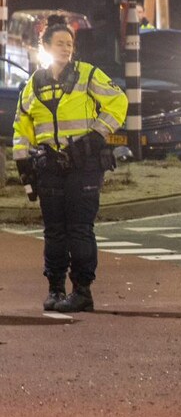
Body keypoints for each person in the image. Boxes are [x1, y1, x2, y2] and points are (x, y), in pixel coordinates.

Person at [11, 21, 128, 313]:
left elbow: (117, 102)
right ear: (46, 47)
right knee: (54, 231)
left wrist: (94, 137)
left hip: (84, 164)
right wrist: (24, 166)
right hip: (49, 165)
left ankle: (82, 292)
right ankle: (55, 289)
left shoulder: (87, 74)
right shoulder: (33, 84)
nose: (66, 48)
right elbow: (22, 128)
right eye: (60, 43)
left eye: (70, 44)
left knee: (79, 228)